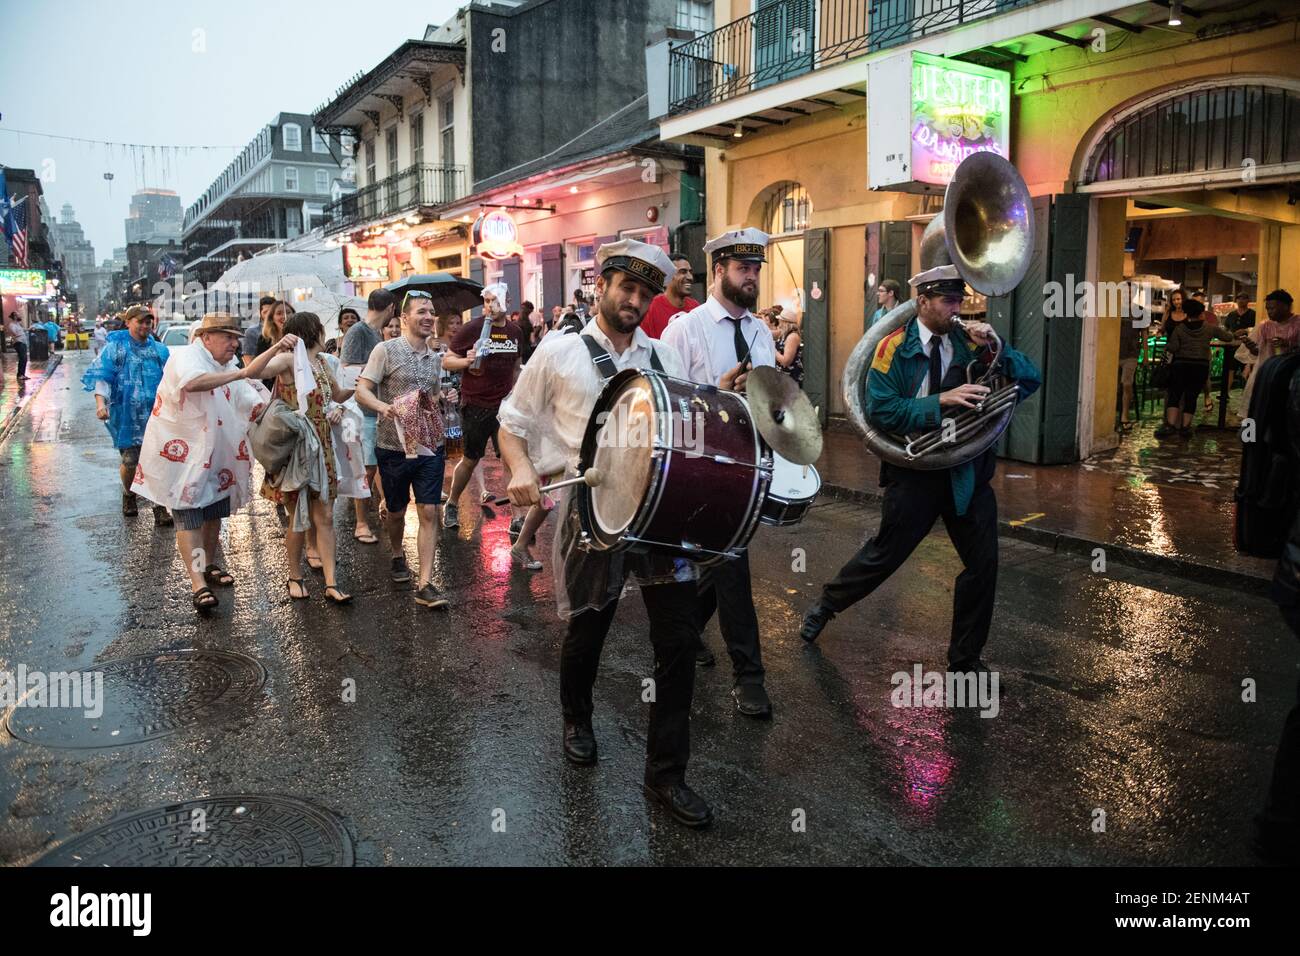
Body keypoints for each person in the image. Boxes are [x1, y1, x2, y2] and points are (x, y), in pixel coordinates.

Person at [498, 239, 712, 828]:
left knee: (677, 641)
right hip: (590, 514)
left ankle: (665, 775)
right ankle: (577, 717)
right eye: (627, 288)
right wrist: (519, 467)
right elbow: (511, 424)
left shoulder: (661, 358)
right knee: (588, 631)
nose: (635, 301)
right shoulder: (560, 351)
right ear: (602, 284)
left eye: (646, 293)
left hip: (657, 518)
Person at [799, 265, 1042, 672]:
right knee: (884, 556)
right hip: (913, 472)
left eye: (959, 300)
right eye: (948, 300)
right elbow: (880, 412)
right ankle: (827, 603)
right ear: (923, 301)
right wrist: (942, 401)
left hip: (966, 472)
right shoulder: (892, 348)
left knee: (984, 566)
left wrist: (999, 345)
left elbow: (1030, 380)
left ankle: (965, 660)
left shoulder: (970, 344)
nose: (956, 308)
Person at [661, 228, 778, 717]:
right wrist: (717, 391)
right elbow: (666, 404)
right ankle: (749, 676)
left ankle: (687, 633)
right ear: (719, 272)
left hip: (746, 465)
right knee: (731, 563)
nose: (751, 277)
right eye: (742, 268)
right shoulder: (684, 330)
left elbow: (772, 402)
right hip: (699, 467)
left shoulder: (760, 332)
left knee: (721, 564)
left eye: (755, 269)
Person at [132, 314, 293, 612]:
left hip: (219, 457)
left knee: (212, 514)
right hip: (184, 458)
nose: (235, 343)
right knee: (190, 517)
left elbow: (251, 400)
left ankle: (208, 564)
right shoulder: (187, 357)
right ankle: (198, 582)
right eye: (228, 337)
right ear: (206, 337)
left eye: (236, 337)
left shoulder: (228, 365)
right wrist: (240, 375)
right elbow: (194, 383)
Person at [355, 290, 451, 609]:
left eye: (432, 312)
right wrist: (385, 408)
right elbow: (362, 391)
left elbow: (434, 397)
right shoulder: (385, 350)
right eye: (421, 311)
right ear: (405, 318)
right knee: (396, 512)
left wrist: (443, 400)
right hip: (393, 447)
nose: (428, 317)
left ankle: (425, 583)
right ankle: (397, 553)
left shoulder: (436, 358)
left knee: (428, 509)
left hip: (429, 446)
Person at [258, 312, 354, 604]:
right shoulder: (289, 361)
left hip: (322, 445)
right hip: (297, 448)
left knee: (324, 516)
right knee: (297, 519)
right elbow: (253, 372)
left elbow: (337, 395)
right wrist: (276, 347)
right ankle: (294, 576)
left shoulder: (323, 362)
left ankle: (331, 582)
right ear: (315, 331)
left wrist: (364, 385)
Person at [441, 283, 525, 537]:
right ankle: (452, 503)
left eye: (495, 301)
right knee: (470, 459)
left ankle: (517, 517)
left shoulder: (515, 332)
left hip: (505, 407)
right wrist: (467, 360)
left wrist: (517, 397)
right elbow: (447, 360)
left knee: (511, 460)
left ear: (507, 301)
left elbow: (517, 367)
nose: (490, 306)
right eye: (487, 301)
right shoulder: (473, 328)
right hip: (476, 404)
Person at [82, 304, 173, 525]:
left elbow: (172, 380)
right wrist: (100, 404)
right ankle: (129, 494)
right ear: (129, 322)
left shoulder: (159, 350)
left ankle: (159, 508)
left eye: (148, 322)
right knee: (131, 461)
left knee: (158, 461)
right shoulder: (116, 348)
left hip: (156, 415)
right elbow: (103, 379)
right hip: (126, 416)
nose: (145, 325)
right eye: (140, 321)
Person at [341, 289, 397, 545]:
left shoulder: (375, 333)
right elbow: (347, 372)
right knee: (365, 468)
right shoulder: (358, 332)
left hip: (377, 409)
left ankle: (383, 509)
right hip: (360, 412)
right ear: (391, 309)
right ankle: (361, 523)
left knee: (378, 465)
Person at [1155, 298, 1235, 438]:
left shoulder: (1180, 328)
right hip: (1200, 366)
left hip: (1180, 365)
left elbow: (1173, 347)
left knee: (1175, 394)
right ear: (1201, 314)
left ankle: (1170, 426)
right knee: (1191, 396)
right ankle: (1185, 428)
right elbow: (1228, 337)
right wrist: (1236, 333)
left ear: (1187, 313)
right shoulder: (1209, 328)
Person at [641, 255, 699, 339]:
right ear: (668, 276)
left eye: (690, 272)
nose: (690, 277)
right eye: (683, 272)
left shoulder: (695, 307)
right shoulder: (650, 308)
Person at [1118, 312, 1144, 429]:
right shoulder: (1114, 308)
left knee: (1127, 384)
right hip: (1114, 352)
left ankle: (1125, 416)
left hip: (1131, 354)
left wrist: (1145, 355)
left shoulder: (1140, 311)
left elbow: (1144, 333)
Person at [242, 297, 277, 364]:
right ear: (260, 313)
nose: (269, 315)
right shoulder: (252, 332)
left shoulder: (283, 329)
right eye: (265, 312)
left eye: (272, 312)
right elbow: (248, 362)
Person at [774, 313, 804, 387]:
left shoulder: (792, 337)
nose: (779, 323)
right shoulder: (784, 333)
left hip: (790, 378)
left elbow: (786, 361)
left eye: (780, 321)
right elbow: (768, 333)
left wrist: (773, 350)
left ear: (785, 322)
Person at [5, 313, 27, 381]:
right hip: (18, 343)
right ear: (14, 317)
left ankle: (22, 374)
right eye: (18, 315)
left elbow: (22, 330)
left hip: (23, 342)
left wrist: (29, 329)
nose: (20, 316)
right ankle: (20, 375)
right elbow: (15, 333)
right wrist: (21, 333)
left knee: (24, 359)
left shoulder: (17, 324)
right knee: (22, 358)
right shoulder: (11, 325)